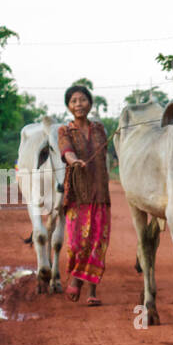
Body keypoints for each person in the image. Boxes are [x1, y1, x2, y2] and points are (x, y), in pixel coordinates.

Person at [58, 84, 111, 305]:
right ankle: (78, 280)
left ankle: (91, 293)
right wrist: (74, 161)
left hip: (100, 194)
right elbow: (66, 151)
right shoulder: (65, 131)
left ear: (90, 103)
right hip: (77, 196)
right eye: (73, 101)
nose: (78, 104)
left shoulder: (100, 129)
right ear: (69, 106)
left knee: (98, 242)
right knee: (76, 245)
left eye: (82, 100)